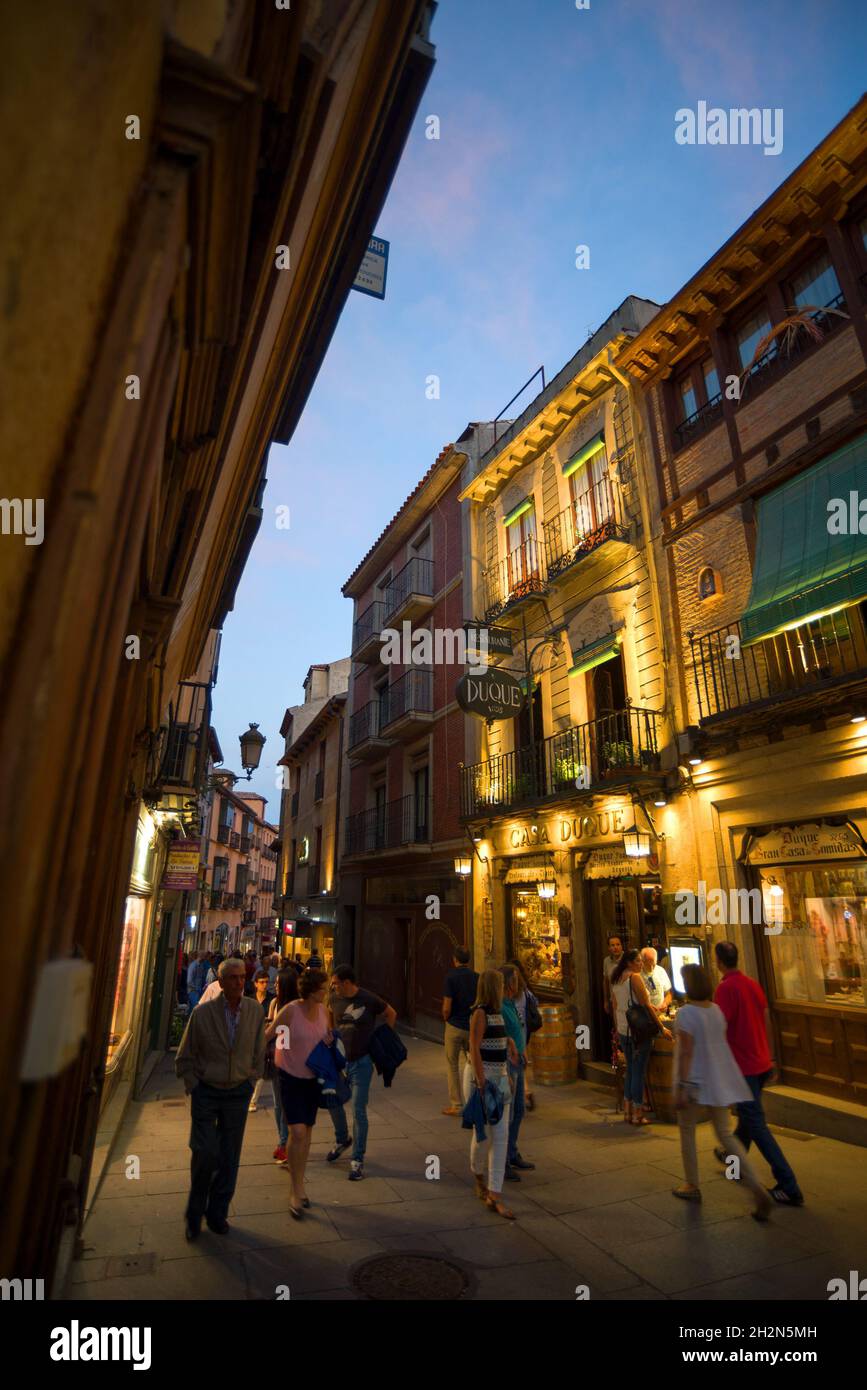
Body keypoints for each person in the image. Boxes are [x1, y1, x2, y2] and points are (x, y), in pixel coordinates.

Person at [672, 963, 772, 1222]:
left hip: (694, 1081)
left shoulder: (686, 1014)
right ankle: (756, 1185)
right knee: (726, 1135)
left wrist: (682, 1086)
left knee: (687, 1132)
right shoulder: (716, 1011)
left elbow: (685, 1053)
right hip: (717, 1080)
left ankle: (691, 1185)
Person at [175, 957, 266, 1240]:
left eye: (242, 978)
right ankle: (194, 1212)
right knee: (204, 1153)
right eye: (233, 978)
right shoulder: (202, 1014)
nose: (240, 982)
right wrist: (194, 1084)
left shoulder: (253, 1011)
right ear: (221, 983)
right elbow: (185, 1055)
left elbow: (258, 1051)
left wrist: (250, 1079)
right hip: (207, 1090)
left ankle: (217, 1213)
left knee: (229, 1156)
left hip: (237, 1091)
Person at [713, 941, 804, 1207]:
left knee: (756, 1124)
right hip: (761, 1063)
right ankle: (732, 1160)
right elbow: (766, 1019)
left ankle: (789, 1185)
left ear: (719, 961)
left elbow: (720, 1027)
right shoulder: (752, 984)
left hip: (743, 1067)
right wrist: (772, 1056)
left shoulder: (726, 988)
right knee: (747, 1117)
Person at [265, 968, 331, 1218]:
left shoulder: (325, 1013)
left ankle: (300, 1186)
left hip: (313, 1079)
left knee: (308, 1132)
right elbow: (270, 1035)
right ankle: (294, 1190)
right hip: (289, 1076)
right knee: (297, 1131)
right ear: (313, 990)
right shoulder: (291, 1010)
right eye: (324, 987)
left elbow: (326, 1039)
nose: (327, 991)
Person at [329, 964, 397, 1181]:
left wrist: (385, 1039)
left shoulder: (368, 999)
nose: (333, 986)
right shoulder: (334, 999)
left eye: (336, 983)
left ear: (347, 983)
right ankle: (342, 1139)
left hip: (362, 1062)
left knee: (358, 1110)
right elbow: (332, 1023)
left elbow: (390, 1013)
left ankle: (357, 1160)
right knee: (333, 1101)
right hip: (341, 1062)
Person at [465, 968, 518, 1220]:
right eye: (500, 985)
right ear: (491, 987)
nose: (504, 989)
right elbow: (474, 1047)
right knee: (482, 1134)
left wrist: (509, 1043)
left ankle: (494, 1194)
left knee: (501, 1136)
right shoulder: (480, 1013)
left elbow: (496, 1039)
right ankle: (478, 1174)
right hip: (486, 1080)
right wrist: (480, 1081)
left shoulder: (497, 1014)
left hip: (501, 1079)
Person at [610, 948, 671, 1125]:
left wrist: (617, 1028)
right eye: (638, 961)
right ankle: (638, 1113)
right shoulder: (634, 978)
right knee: (638, 1071)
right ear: (629, 963)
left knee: (630, 1069)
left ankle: (627, 1112)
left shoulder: (616, 978)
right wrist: (661, 1028)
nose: (641, 964)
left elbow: (614, 1006)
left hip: (623, 1029)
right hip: (637, 1032)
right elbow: (647, 1005)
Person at [500, 965, 534, 1180]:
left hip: (518, 1062)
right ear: (507, 984)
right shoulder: (500, 1007)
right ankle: (502, 1161)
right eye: (516, 979)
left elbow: (519, 1030)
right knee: (508, 1113)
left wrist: (523, 1052)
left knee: (519, 1110)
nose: (519, 983)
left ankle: (512, 1153)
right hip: (508, 1065)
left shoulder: (511, 1003)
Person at [441, 947, 478, 1115]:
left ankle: (456, 1104)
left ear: (455, 959)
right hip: (471, 1026)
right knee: (474, 1063)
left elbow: (447, 1006)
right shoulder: (476, 977)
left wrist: (446, 1017)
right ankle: (477, 1099)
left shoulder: (450, 978)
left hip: (454, 1026)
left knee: (453, 1065)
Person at [267, 968, 298, 1163]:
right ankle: (282, 1141)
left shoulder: (296, 1007)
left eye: (278, 983)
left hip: (293, 1061)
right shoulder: (274, 1003)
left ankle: (284, 1142)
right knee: (278, 1103)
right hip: (276, 1058)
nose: (275, 986)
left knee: (286, 1104)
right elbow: (269, 1028)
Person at [506, 958, 539, 1110]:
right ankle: (525, 1090)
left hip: (513, 1032)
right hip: (524, 1030)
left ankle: (521, 1093)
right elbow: (535, 1002)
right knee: (521, 1061)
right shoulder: (525, 991)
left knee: (514, 1063)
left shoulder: (510, 996)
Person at [248, 970, 274, 1111]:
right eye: (262, 982)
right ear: (256, 984)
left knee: (261, 1070)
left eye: (266, 982)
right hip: (250, 1037)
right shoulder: (249, 999)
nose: (265, 985)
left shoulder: (272, 999)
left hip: (265, 1038)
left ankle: (253, 1100)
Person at [641, 946, 673, 1015]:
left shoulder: (660, 970)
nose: (652, 968)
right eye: (648, 965)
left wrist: (665, 1003)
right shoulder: (637, 974)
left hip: (661, 1014)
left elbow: (669, 994)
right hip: (645, 1015)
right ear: (642, 961)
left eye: (654, 964)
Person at [602, 934, 625, 1020]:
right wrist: (606, 1000)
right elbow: (605, 981)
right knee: (616, 1027)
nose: (615, 947)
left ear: (622, 946)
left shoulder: (627, 959)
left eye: (618, 944)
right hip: (613, 1000)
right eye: (612, 945)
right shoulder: (606, 961)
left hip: (627, 1000)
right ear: (609, 948)